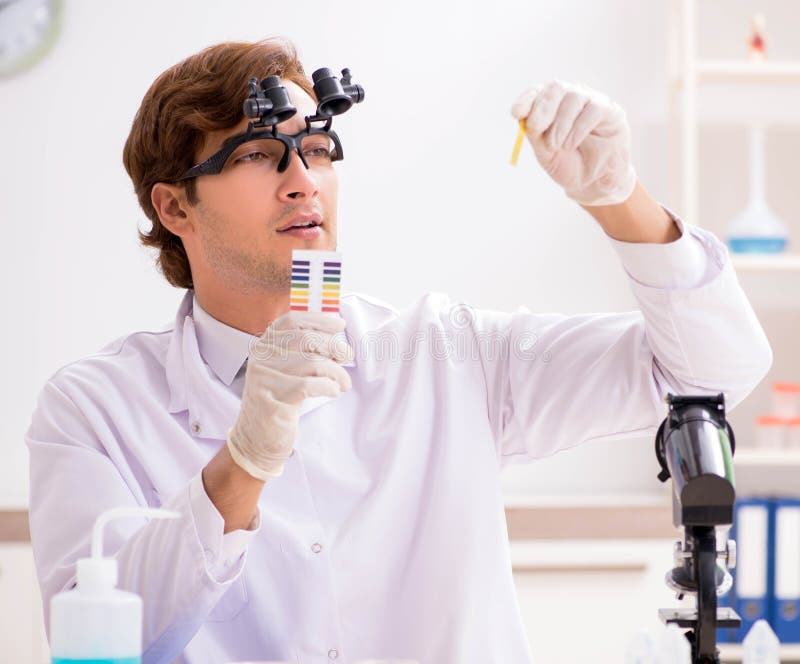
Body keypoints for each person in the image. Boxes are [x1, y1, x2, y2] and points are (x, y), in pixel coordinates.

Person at [26, 38, 772, 664]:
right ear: (174, 206)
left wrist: (620, 198)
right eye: (258, 154)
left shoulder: (444, 352)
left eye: (318, 150)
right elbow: (97, 639)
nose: (302, 182)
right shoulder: (94, 410)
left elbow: (716, 369)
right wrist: (242, 465)